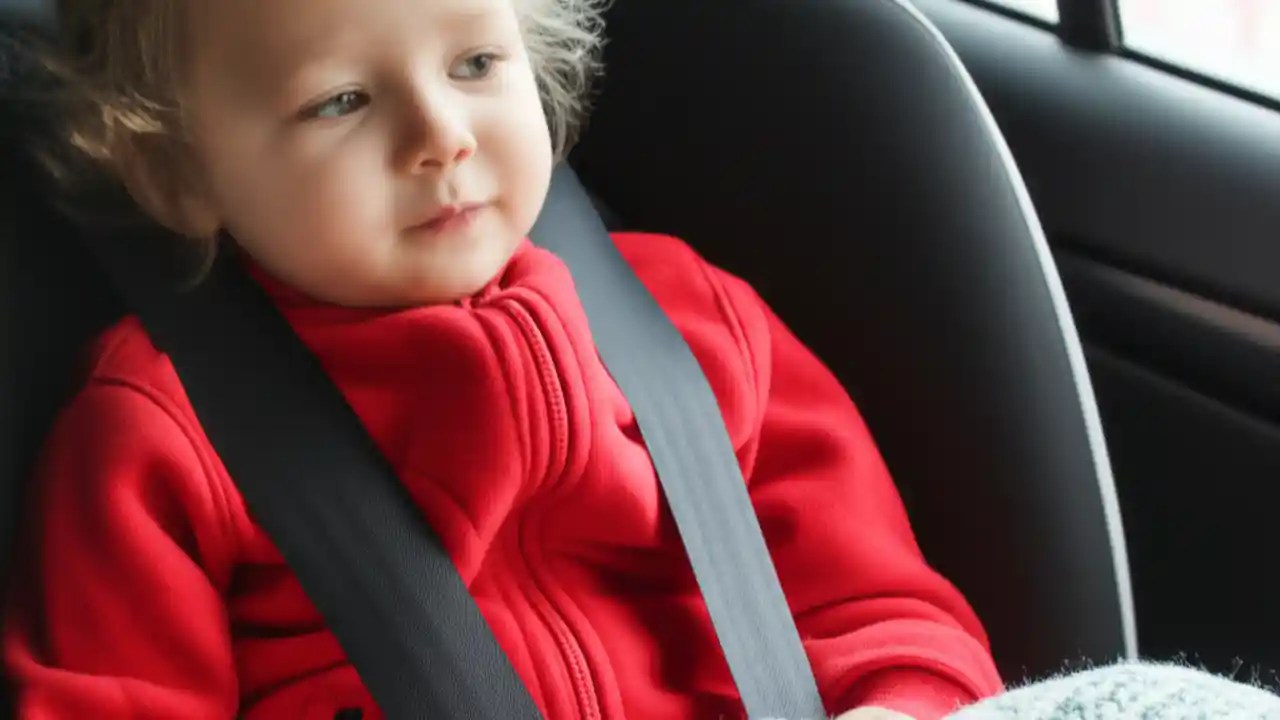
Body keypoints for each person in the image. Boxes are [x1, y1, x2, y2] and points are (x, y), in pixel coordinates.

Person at [2, 0, 1006, 717]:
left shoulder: (692, 326)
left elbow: (877, 609)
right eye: (342, 101)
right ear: (177, 174)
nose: (441, 135)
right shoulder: (161, 436)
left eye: (476, 63)